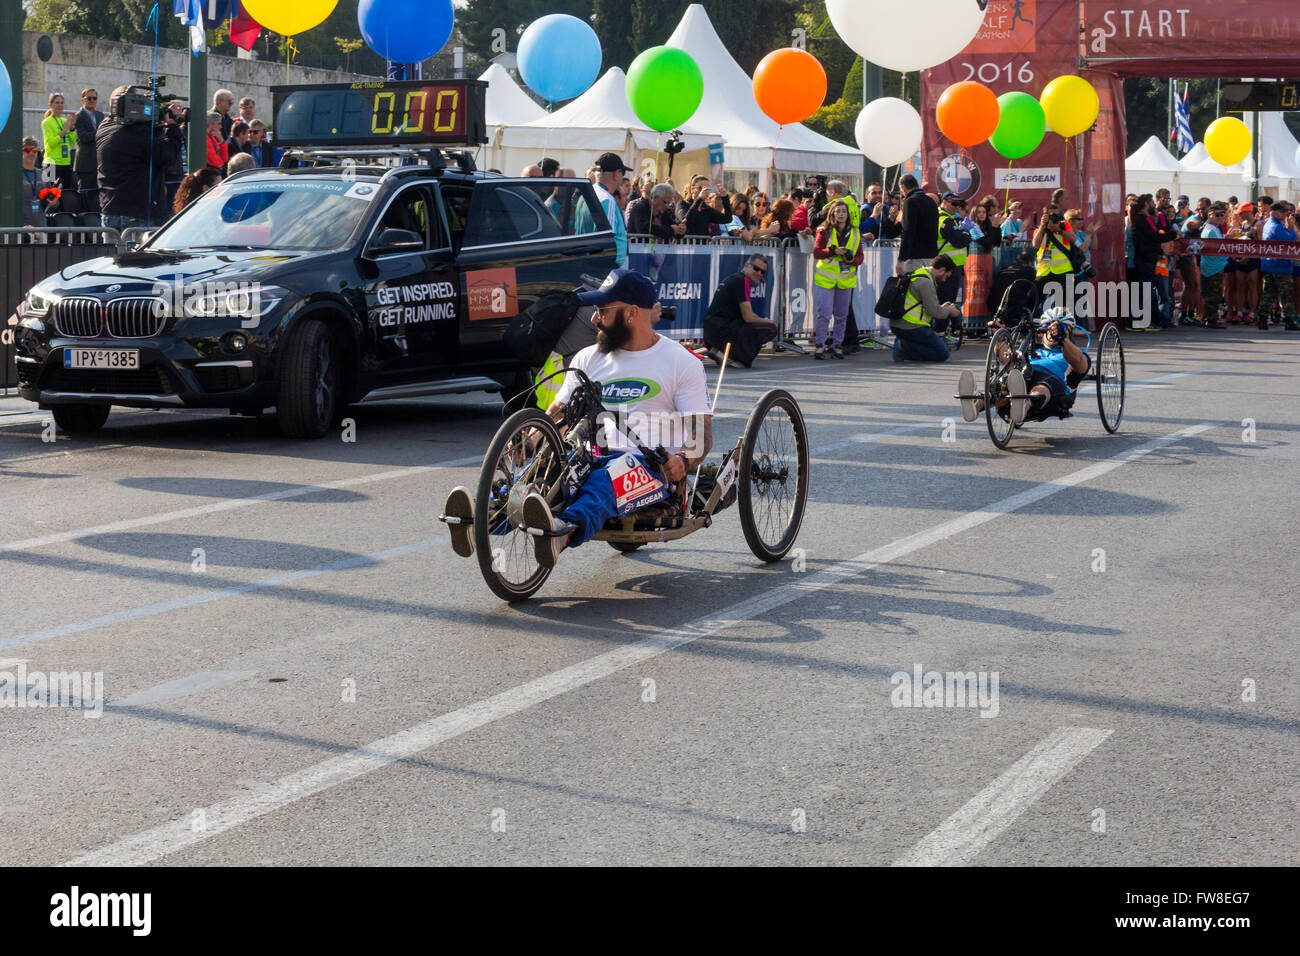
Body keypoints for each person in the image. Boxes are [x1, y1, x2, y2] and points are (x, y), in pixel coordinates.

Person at [441, 269, 712, 568]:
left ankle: (559, 535)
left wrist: (683, 461)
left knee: (607, 478)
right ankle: (483, 517)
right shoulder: (588, 358)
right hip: (591, 454)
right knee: (547, 475)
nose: (595, 319)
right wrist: (531, 440)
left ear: (632, 313)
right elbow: (559, 413)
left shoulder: (681, 363)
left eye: (602, 311)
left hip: (650, 466)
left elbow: (701, 438)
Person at [958, 309, 1090, 426]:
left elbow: (1079, 363)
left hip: (1052, 386)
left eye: (1060, 327)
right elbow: (1006, 358)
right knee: (1003, 385)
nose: (1051, 331)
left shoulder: (1076, 354)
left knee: (1043, 385)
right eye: (1048, 326)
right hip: (1022, 376)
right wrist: (998, 338)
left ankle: (1024, 405)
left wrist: (1062, 339)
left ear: (1069, 332)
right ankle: (977, 403)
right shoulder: (1031, 351)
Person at [96, 88, 186, 231]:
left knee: (112, 253)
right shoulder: (139, 133)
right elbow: (167, 155)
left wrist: (157, 124)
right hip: (138, 214)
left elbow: (146, 148)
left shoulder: (104, 126)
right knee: (139, 254)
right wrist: (173, 127)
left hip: (110, 211)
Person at [702, 254, 778, 367]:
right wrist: (766, 320)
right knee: (769, 328)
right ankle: (734, 357)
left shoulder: (736, 278)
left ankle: (719, 350)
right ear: (746, 265)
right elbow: (748, 317)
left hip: (712, 329)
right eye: (756, 269)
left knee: (750, 326)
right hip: (719, 329)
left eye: (762, 272)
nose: (759, 273)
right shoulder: (742, 281)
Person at [812, 199, 863, 359]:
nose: (841, 214)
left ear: (848, 215)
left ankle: (837, 345)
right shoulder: (824, 230)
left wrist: (851, 260)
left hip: (845, 278)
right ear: (832, 214)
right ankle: (820, 345)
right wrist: (833, 251)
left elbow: (860, 257)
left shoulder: (855, 232)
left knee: (841, 315)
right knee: (825, 313)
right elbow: (817, 253)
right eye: (838, 211)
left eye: (843, 211)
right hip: (826, 279)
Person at [890, 254, 961, 363]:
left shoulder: (919, 274)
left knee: (933, 346)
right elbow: (934, 312)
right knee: (942, 354)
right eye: (946, 276)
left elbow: (924, 307)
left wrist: (942, 308)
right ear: (942, 270)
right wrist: (950, 311)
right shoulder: (926, 282)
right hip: (912, 326)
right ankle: (903, 348)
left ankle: (905, 343)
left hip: (901, 324)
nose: (945, 280)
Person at [574, 152, 630, 266]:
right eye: (622, 173)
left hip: (588, 261)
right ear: (617, 174)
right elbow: (607, 240)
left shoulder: (587, 194)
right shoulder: (607, 200)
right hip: (606, 267)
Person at [883, 174, 939, 272]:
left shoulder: (910, 202)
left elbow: (907, 231)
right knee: (928, 286)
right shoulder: (931, 201)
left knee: (913, 286)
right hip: (932, 256)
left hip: (916, 258)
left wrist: (901, 259)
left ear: (903, 188)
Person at [1259, 200, 1299, 330]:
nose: (1285, 214)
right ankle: (1289, 321)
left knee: (1268, 295)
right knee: (1286, 295)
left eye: (1286, 211)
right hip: (1280, 265)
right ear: (1273, 212)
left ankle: (1263, 320)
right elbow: (1290, 239)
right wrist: (1292, 228)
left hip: (1270, 264)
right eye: (1282, 211)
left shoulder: (1268, 224)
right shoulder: (1276, 226)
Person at [1197, 204, 1228, 328]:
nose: (1221, 218)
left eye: (1222, 215)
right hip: (1213, 266)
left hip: (1213, 265)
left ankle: (1206, 317)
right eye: (1218, 215)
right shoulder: (1210, 230)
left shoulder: (1213, 229)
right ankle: (1211, 319)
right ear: (1210, 215)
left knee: (1209, 294)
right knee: (1214, 295)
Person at [72, 88, 105, 204]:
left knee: (97, 197)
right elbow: (84, 137)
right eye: (89, 98)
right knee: (84, 196)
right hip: (85, 165)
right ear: (82, 100)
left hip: (98, 164)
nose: (92, 100)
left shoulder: (100, 115)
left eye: (94, 98)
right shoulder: (78, 116)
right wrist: (101, 132)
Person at [41, 92, 78, 191]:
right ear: (50, 105)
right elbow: (52, 143)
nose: (60, 105)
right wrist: (65, 130)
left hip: (65, 163)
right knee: (51, 193)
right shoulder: (46, 122)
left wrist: (72, 128)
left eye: (62, 103)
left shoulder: (64, 120)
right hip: (51, 163)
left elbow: (72, 143)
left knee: (66, 193)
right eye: (57, 103)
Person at [20, 136, 44, 227]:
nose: (31, 153)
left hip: (41, 227)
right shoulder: (15, 175)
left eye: (34, 150)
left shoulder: (42, 174)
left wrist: (54, 202)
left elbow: (54, 205)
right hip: (22, 229)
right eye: (27, 150)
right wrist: (23, 226)